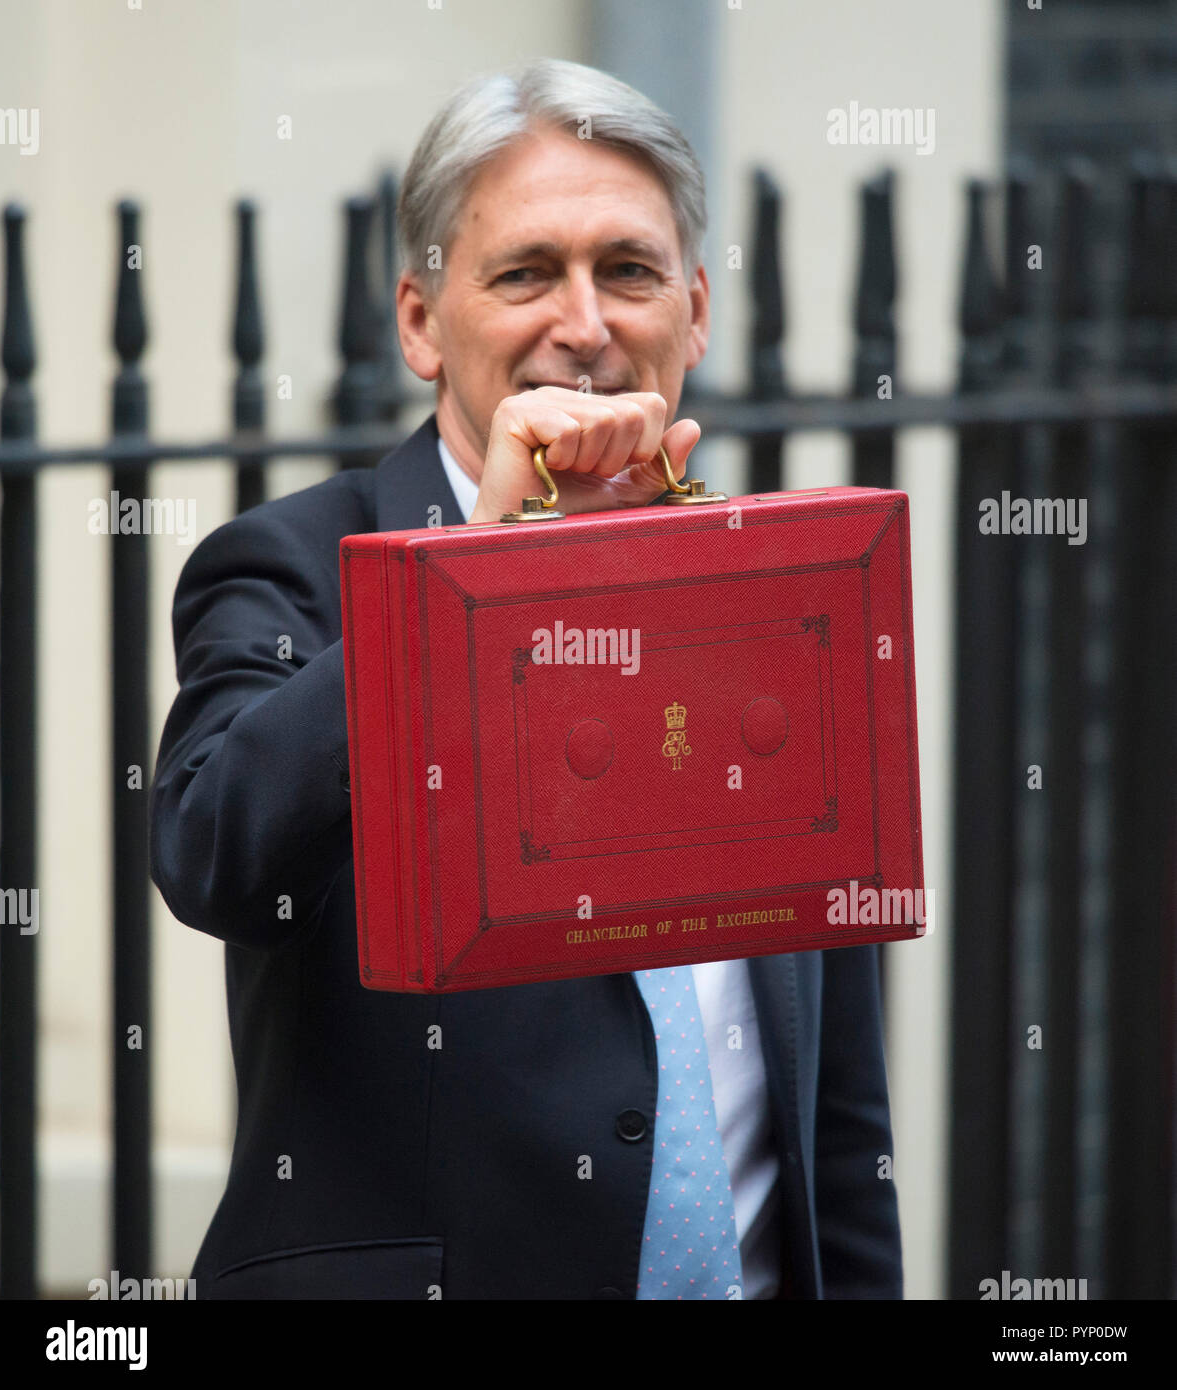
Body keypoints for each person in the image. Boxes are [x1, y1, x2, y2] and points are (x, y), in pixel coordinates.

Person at [149, 56, 901, 1300]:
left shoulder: (777, 596)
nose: (586, 325)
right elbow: (209, 847)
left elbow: (833, 1114)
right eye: (523, 274)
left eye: (627, 269)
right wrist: (473, 574)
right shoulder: (288, 566)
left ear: (696, 309)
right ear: (418, 323)